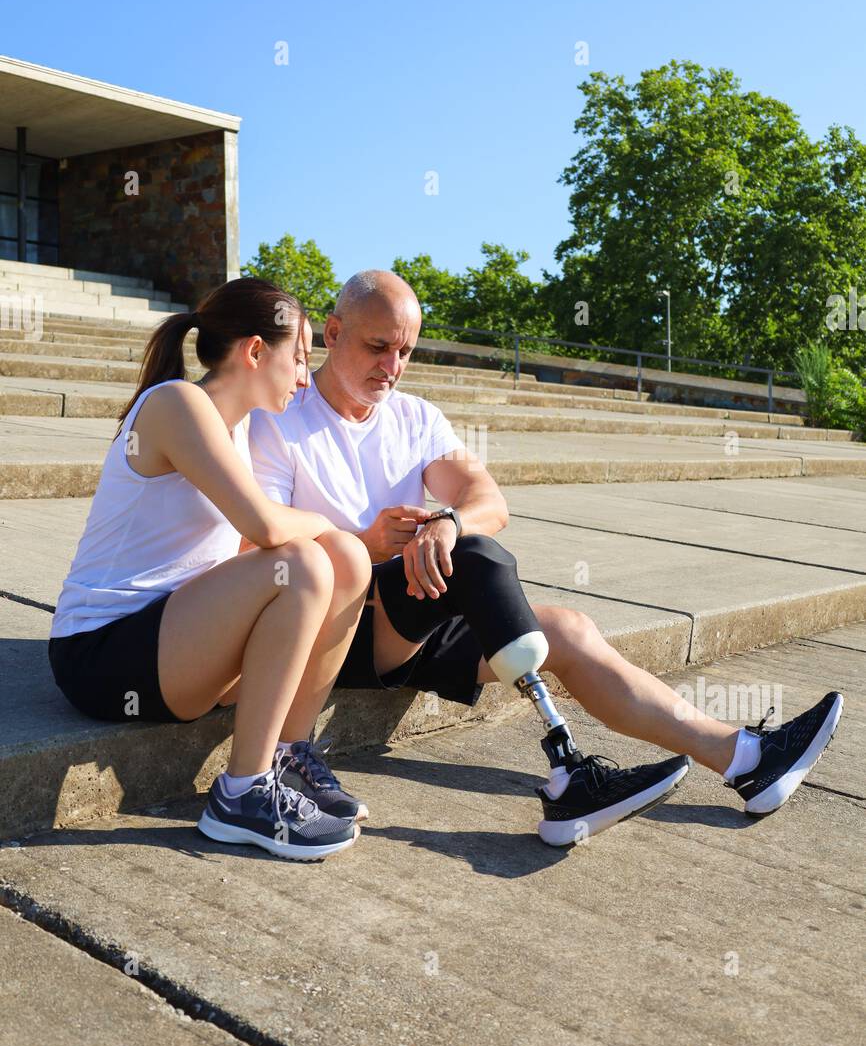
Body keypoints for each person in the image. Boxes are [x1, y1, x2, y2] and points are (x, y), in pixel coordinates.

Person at [247, 270, 844, 846]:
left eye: (405, 351)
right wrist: (363, 541)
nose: (393, 368)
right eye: (379, 347)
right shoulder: (280, 418)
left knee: (564, 626)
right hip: (329, 632)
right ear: (331, 333)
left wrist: (449, 522)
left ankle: (746, 759)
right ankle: (569, 772)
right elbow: (263, 551)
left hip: (416, 609)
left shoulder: (415, 416)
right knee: (477, 558)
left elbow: (487, 499)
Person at [48, 277, 373, 862]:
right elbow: (267, 530)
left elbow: (248, 545)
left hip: (173, 643)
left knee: (345, 560)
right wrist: (321, 529)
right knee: (304, 560)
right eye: (298, 358)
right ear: (254, 351)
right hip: (102, 654)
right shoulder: (177, 404)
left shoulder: (238, 425)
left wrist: (333, 540)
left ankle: (289, 753)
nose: (305, 377)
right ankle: (241, 796)